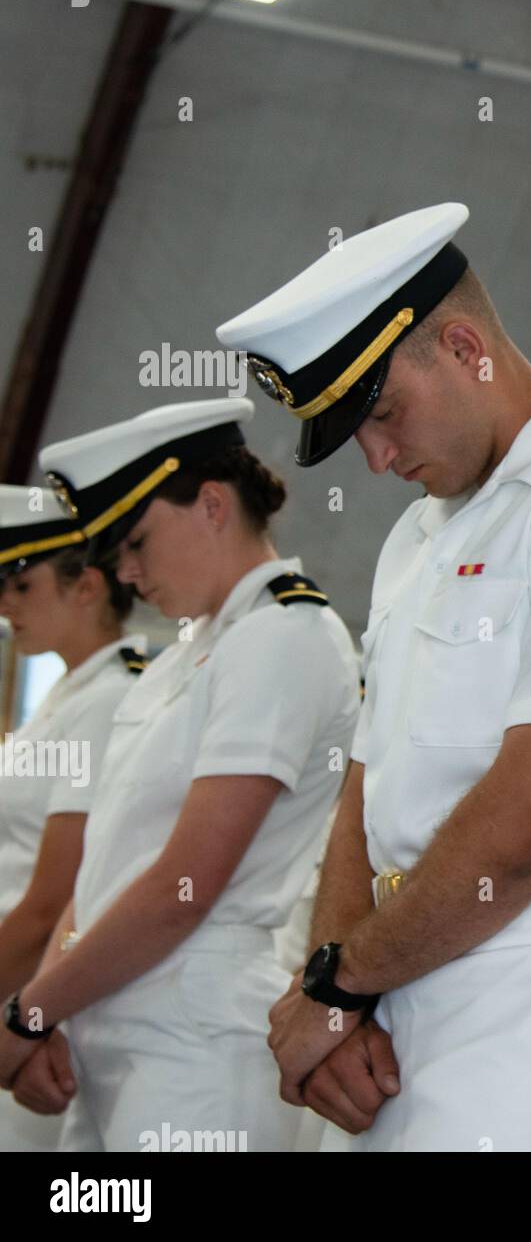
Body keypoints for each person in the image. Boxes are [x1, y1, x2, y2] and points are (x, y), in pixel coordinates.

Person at [216, 203, 531, 1150]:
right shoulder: (422, 536)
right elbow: (363, 795)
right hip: (383, 993)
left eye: (379, 415)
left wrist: (339, 985)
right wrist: (338, 978)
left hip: (530, 1008)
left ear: (464, 347)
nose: (375, 460)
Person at [0, 400, 359, 1151]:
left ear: (213, 505)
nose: (126, 573)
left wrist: (27, 1011)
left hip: (192, 1049)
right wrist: (48, 1009)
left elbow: (182, 887)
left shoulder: (283, 637)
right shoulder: (179, 660)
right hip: (105, 1030)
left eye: (135, 542)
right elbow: (103, 869)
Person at [0, 487, 144, 1149]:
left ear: (86, 586)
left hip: (33, 1007)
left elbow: (55, 895)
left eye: (22, 586)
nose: (6, 606)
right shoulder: (70, 693)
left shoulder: (111, 696)